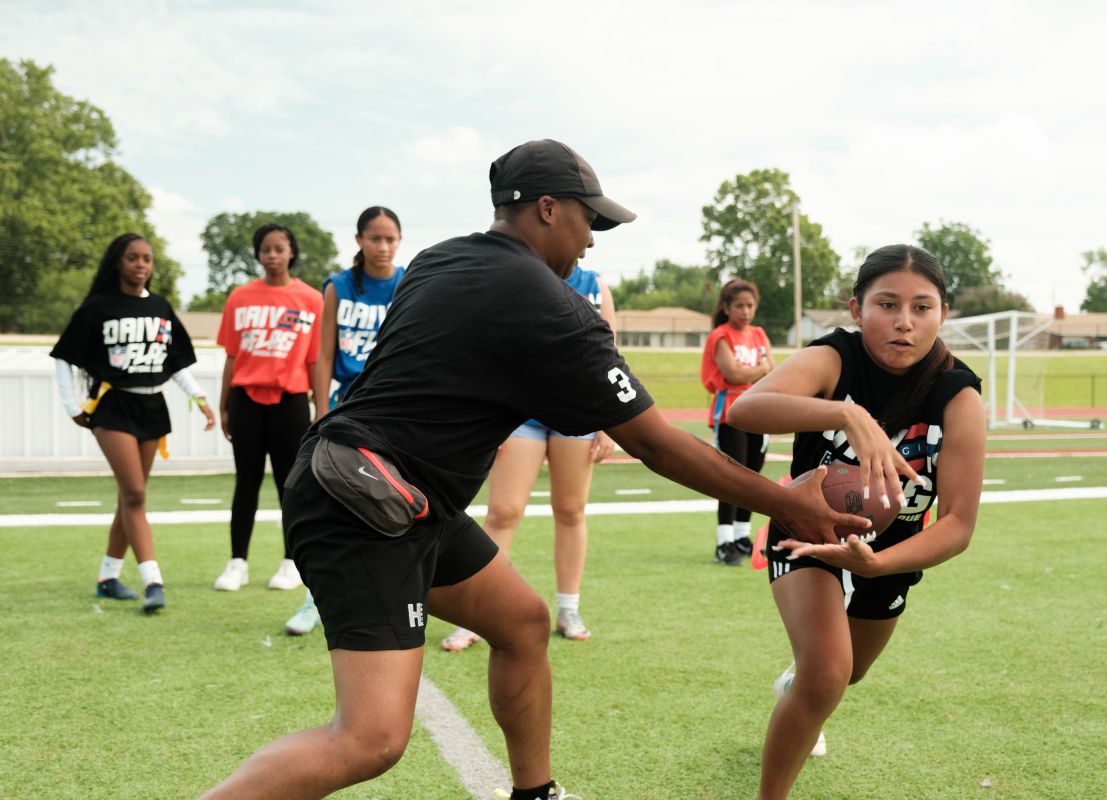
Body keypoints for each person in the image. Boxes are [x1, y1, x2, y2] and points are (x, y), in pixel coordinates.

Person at [199, 139, 868, 800]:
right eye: (589, 219)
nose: (593, 241)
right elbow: (659, 445)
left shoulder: (439, 260)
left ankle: (534, 794)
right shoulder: (546, 305)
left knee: (520, 623)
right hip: (368, 504)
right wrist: (785, 501)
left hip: (390, 488)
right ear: (548, 208)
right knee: (371, 740)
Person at [726, 244, 987, 800]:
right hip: (806, 534)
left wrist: (877, 562)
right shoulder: (834, 358)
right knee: (826, 673)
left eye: (922, 307)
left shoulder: (958, 394)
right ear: (856, 309)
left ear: (944, 315)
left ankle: (797, 688)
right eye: (886, 304)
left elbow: (959, 523)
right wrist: (846, 412)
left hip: (888, 554)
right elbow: (744, 410)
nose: (903, 322)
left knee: (845, 676)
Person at [440, 264, 617, 652]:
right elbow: (488, 351)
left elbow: (610, 357)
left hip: (578, 413)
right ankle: (476, 615)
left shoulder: (595, 285)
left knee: (571, 510)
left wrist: (607, 423)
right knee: (503, 511)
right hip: (520, 415)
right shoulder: (517, 275)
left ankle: (568, 609)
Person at [50, 233, 216, 614]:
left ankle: (108, 577)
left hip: (153, 406)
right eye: (132, 258)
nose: (141, 265)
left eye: (147, 259)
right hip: (113, 407)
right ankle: (153, 580)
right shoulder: (98, 307)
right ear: (117, 263)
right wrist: (70, 405)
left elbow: (174, 363)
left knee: (130, 496)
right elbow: (63, 356)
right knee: (136, 494)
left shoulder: (160, 307)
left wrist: (199, 400)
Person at [285, 206, 404, 636]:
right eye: (375, 238)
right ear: (359, 241)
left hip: (394, 406)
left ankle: (393, 593)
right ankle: (313, 599)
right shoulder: (338, 285)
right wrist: (322, 409)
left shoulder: (407, 280)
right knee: (333, 501)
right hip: (347, 404)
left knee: (394, 501)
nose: (383, 247)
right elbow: (323, 354)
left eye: (391, 239)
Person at [213, 224, 322, 593]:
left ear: (292, 252)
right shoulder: (240, 297)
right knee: (245, 481)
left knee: (289, 485)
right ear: (257, 254)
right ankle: (236, 563)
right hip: (246, 401)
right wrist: (224, 403)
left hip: (290, 403)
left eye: (280, 248)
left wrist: (321, 408)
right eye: (266, 249)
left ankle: (291, 562)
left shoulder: (311, 299)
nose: (273, 255)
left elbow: (315, 361)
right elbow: (231, 355)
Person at [700, 278, 774, 566]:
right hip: (731, 410)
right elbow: (733, 374)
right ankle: (724, 541)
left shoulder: (758, 333)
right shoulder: (721, 335)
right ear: (727, 308)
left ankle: (743, 536)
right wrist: (760, 368)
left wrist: (757, 371)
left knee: (753, 475)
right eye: (739, 306)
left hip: (759, 409)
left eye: (750, 305)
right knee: (732, 475)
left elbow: (772, 372)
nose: (745, 311)